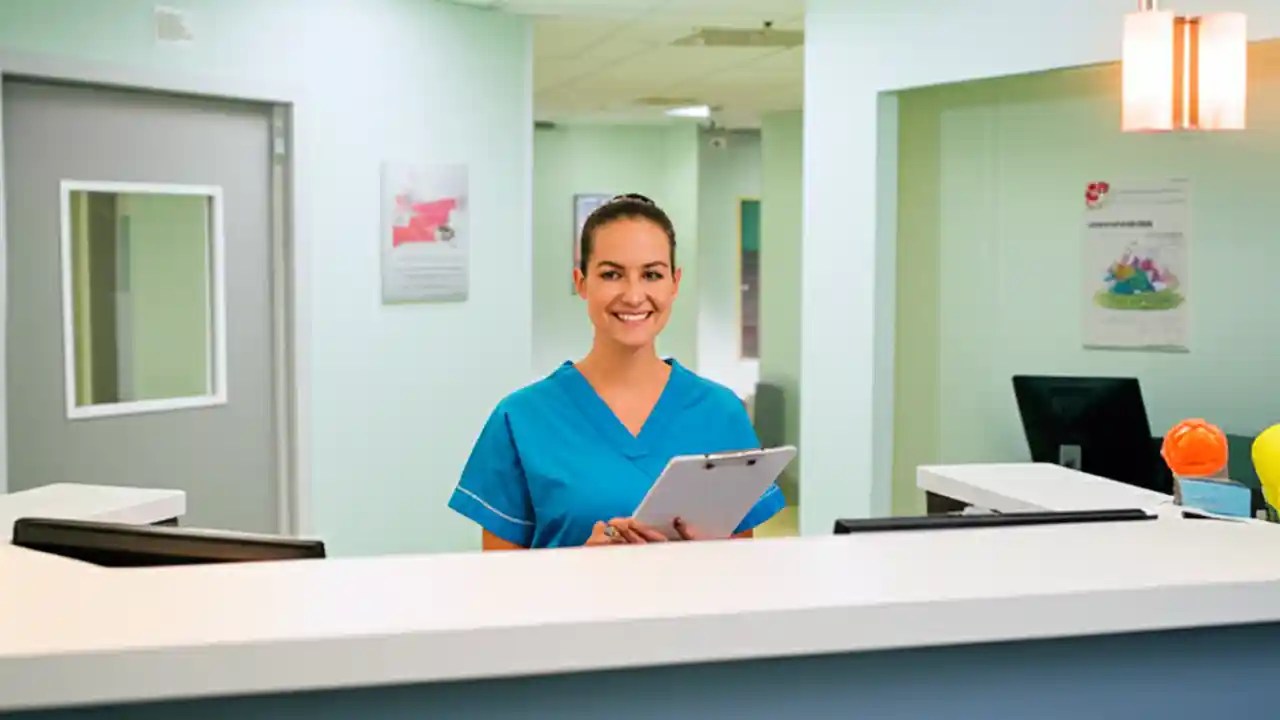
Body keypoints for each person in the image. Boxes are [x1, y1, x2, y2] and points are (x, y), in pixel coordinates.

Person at [447, 193, 785, 550]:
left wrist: (694, 558)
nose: (634, 295)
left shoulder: (721, 413)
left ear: (675, 283)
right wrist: (580, 567)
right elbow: (498, 588)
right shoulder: (520, 419)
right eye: (611, 274)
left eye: (652, 274)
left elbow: (744, 572)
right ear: (581, 283)